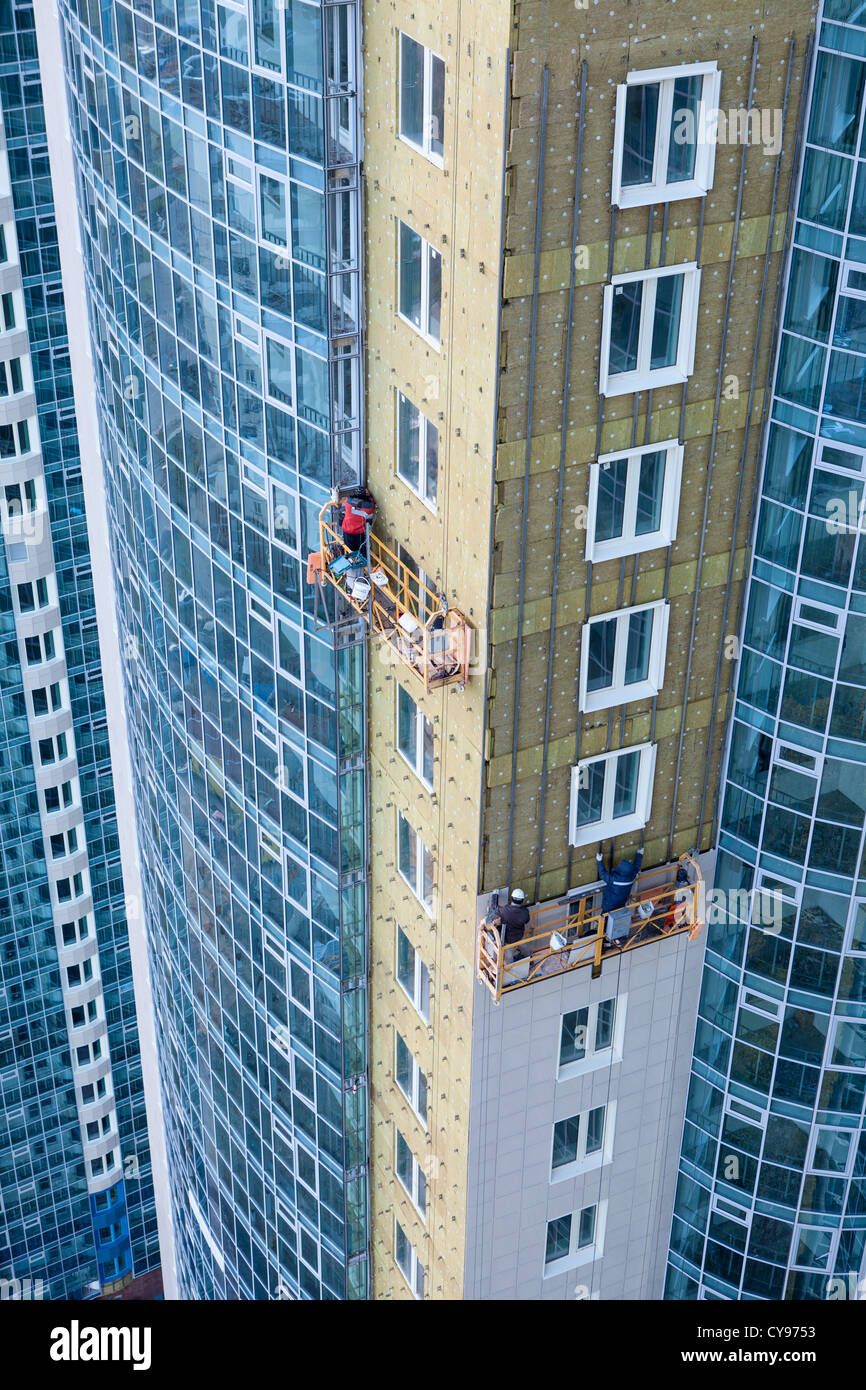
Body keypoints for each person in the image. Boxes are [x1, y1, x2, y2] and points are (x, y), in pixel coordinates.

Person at [596, 844, 643, 912]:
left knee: (606, 920)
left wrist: (599, 861)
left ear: (621, 869)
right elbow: (636, 868)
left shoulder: (616, 879)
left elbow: (603, 874)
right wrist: (639, 855)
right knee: (606, 920)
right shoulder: (630, 878)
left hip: (610, 906)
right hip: (615, 906)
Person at [339, 485, 376, 553]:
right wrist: (369, 496)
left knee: (349, 551)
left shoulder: (347, 502)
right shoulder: (368, 508)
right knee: (360, 552)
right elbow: (372, 505)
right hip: (359, 533)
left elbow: (348, 499)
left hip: (347, 531)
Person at [497, 887, 531, 959]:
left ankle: (510, 969)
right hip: (520, 936)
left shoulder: (504, 911)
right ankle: (530, 960)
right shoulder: (525, 912)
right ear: (522, 900)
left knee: (508, 959)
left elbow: (496, 909)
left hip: (508, 940)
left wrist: (495, 896)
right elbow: (527, 921)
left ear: (512, 898)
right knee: (526, 950)